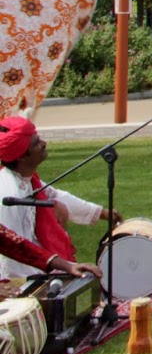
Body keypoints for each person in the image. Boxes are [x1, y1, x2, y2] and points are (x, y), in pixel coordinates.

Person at [0, 116, 121, 279]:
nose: (44, 143)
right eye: (36, 143)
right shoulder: (10, 195)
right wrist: (37, 284)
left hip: (38, 265)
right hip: (19, 277)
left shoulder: (25, 179)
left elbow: (55, 195)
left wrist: (100, 213)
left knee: (57, 204)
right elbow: (13, 251)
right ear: (21, 156)